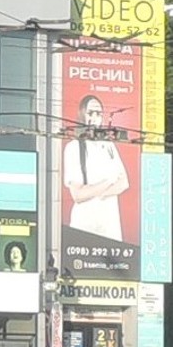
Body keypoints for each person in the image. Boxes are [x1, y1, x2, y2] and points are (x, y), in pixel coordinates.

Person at [63, 94, 127, 241]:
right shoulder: (74, 147)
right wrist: (108, 182)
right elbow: (78, 195)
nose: (95, 117)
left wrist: (97, 192)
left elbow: (124, 183)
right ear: (82, 115)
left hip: (110, 226)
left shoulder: (109, 145)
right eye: (90, 113)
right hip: (85, 227)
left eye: (98, 113)